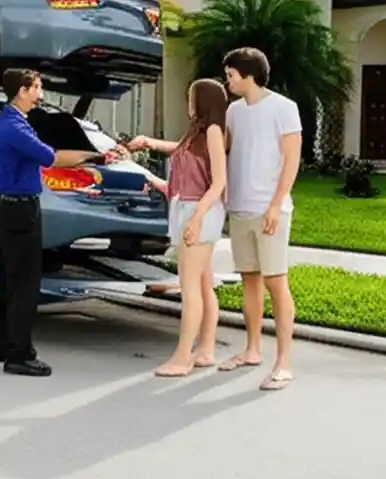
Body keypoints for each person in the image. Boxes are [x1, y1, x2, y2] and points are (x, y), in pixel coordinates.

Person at [0, 68, 102, 377]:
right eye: (37, 88)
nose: (40, 94)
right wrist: (93, 157)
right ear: (21, 91)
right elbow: (49, 158)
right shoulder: (14, 127)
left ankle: (6, 345)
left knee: (10, 280)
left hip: (10, 207)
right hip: (20, 211)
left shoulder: (10, 121)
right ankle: (20, 355)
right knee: (25, 283)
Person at [125, 79, 229, 377]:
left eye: (190, 96)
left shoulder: (212, 131)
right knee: (203, 284)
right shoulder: (196, 130)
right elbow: (183, 157)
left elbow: (218, 182)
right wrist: (149, 147)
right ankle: (205, 350)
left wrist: (195, 219)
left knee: (190, 287)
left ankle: (183, 357)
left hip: (200, 211)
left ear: (202, 100)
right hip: (188, 207)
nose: (188, 101)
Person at [216, 47, 302, 392]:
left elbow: (292, 160)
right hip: (240, 208)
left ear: (249, 75)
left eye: (231, 75)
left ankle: (283, 364)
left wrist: (275, 205)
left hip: (271, 211)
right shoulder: (234, 112)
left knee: (276, 283)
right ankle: (252, 350)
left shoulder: (284, 108)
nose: (228, 80)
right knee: (249, 280)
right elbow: (221, 149)